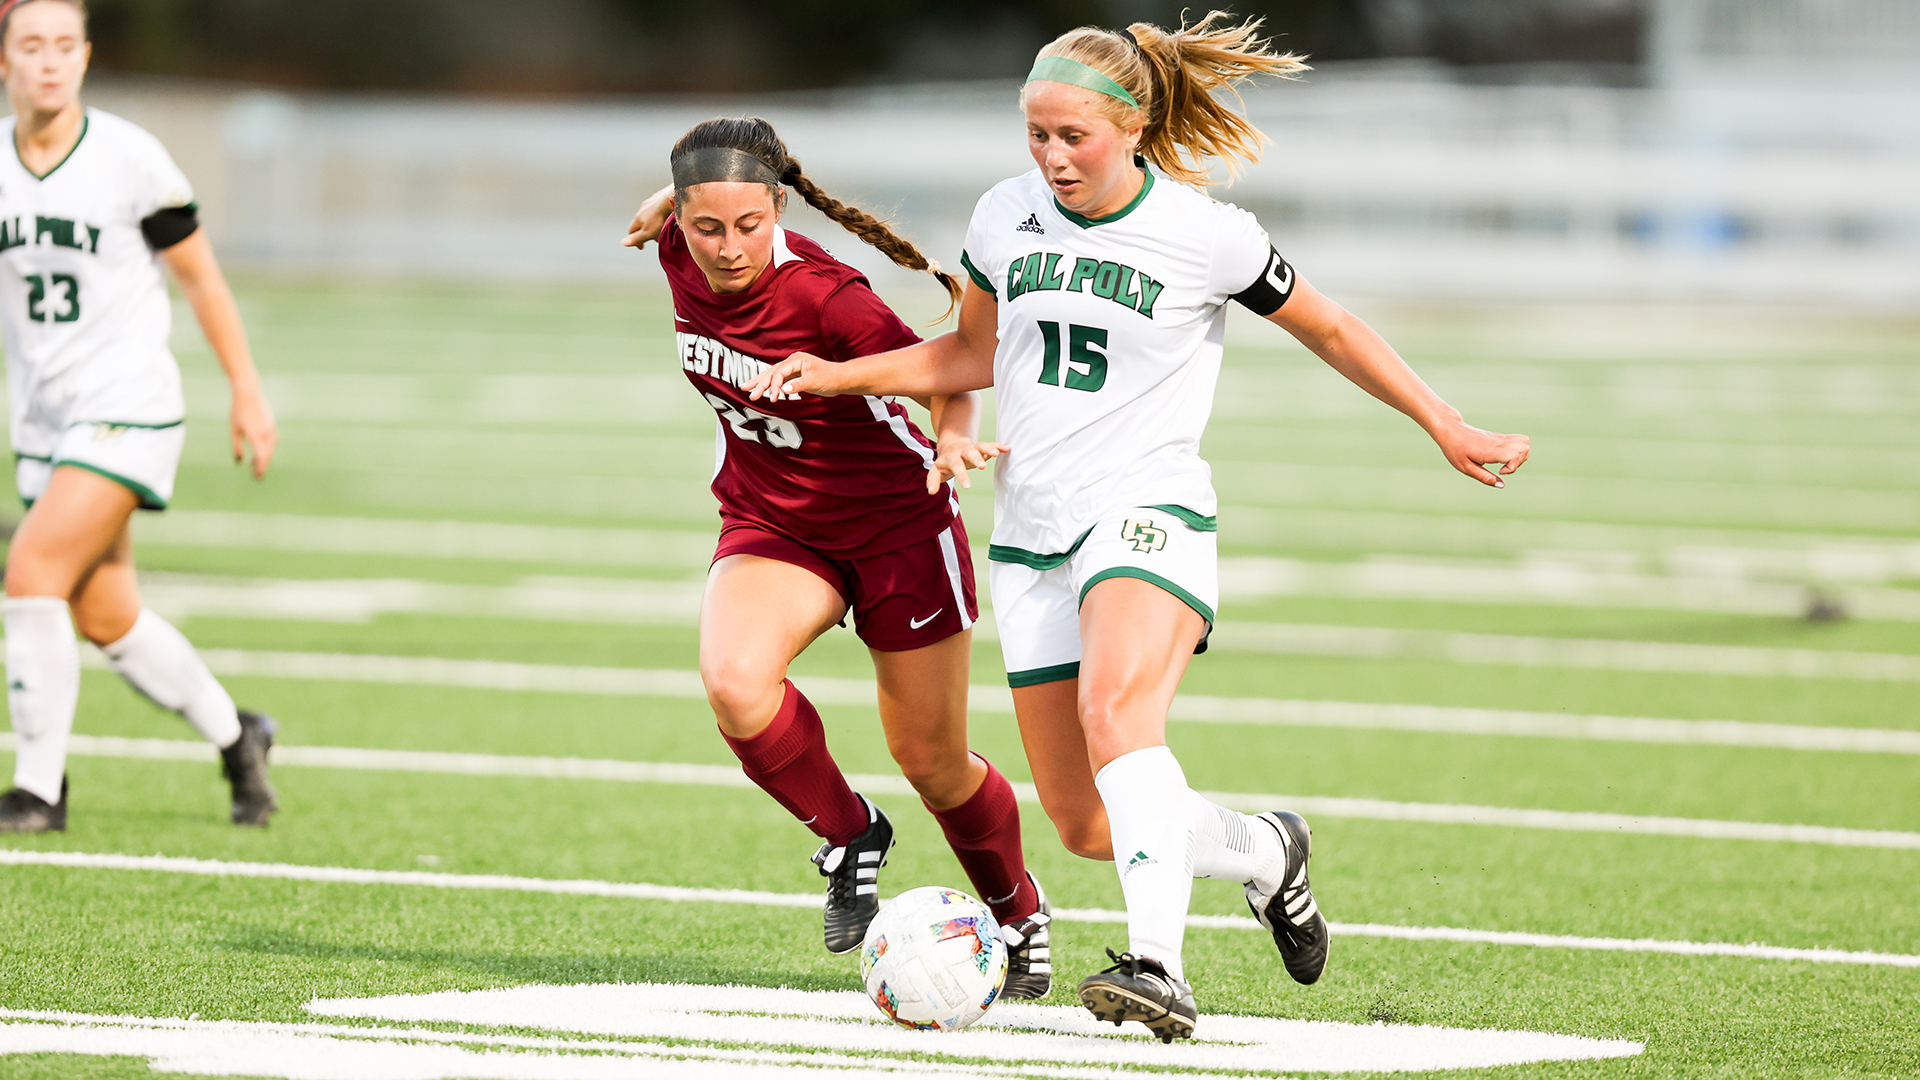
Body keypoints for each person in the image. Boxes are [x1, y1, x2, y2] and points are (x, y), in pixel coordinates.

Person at [745, 14, 1531, 1041]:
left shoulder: (1207, 234)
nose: (1052, 156)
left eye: (1073, 136)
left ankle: (1159, 967)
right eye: (1036, 133)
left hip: (1147, 513)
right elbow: (971, 355)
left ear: (1132, 128)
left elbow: (1330, 325)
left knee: (1121, 721)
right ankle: (1263, 853)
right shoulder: (1005, 215)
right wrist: (842, 376)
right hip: (1032, 540)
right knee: (1085, 824)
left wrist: (1443, 420)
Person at [621, 116, 1052, 998]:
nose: (729, 247)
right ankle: (853, 835)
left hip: (900, 525)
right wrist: (672, 201)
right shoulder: (677, 244)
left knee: (932, 761)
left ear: (779, 208)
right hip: (775, 523)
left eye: (750, 225)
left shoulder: (832, 299)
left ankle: (1018, 913)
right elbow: (675, 203)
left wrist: (954, 444)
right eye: (708, 227)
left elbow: (953, 368)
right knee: (735, 682)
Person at [0, 0, 279, 832]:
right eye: (30, 46)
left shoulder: (128, 158)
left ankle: (38, 790)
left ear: (85, 58)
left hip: (129, 408)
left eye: (64, 46)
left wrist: (247, 389)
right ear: (4, 61)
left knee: (28, 576)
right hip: (46, 420)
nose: (49, 61)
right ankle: (240, 740)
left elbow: (200, 279)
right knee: (105, 614)